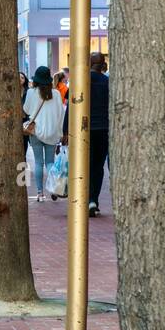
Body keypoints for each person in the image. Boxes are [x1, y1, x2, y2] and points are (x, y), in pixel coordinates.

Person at [63, 53, 110, 217]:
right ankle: (93, 200)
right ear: (103, 64)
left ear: (89, 63)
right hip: (103, 129)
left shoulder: (80, 80)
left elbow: (71, 106)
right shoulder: (107, 82)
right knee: (98, 167)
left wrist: (65, 130)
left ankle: (83, 199)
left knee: (84, 165)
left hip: (83, 129)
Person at [23, 66, 65, 202]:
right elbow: (61, 114)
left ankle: (40, 193)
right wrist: (61, 132)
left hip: (35, 132)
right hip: (52, 132)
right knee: (50, 162)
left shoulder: (31, 92)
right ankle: (54, 188)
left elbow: (27, 110)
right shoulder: (56, 94)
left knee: (39, 162)